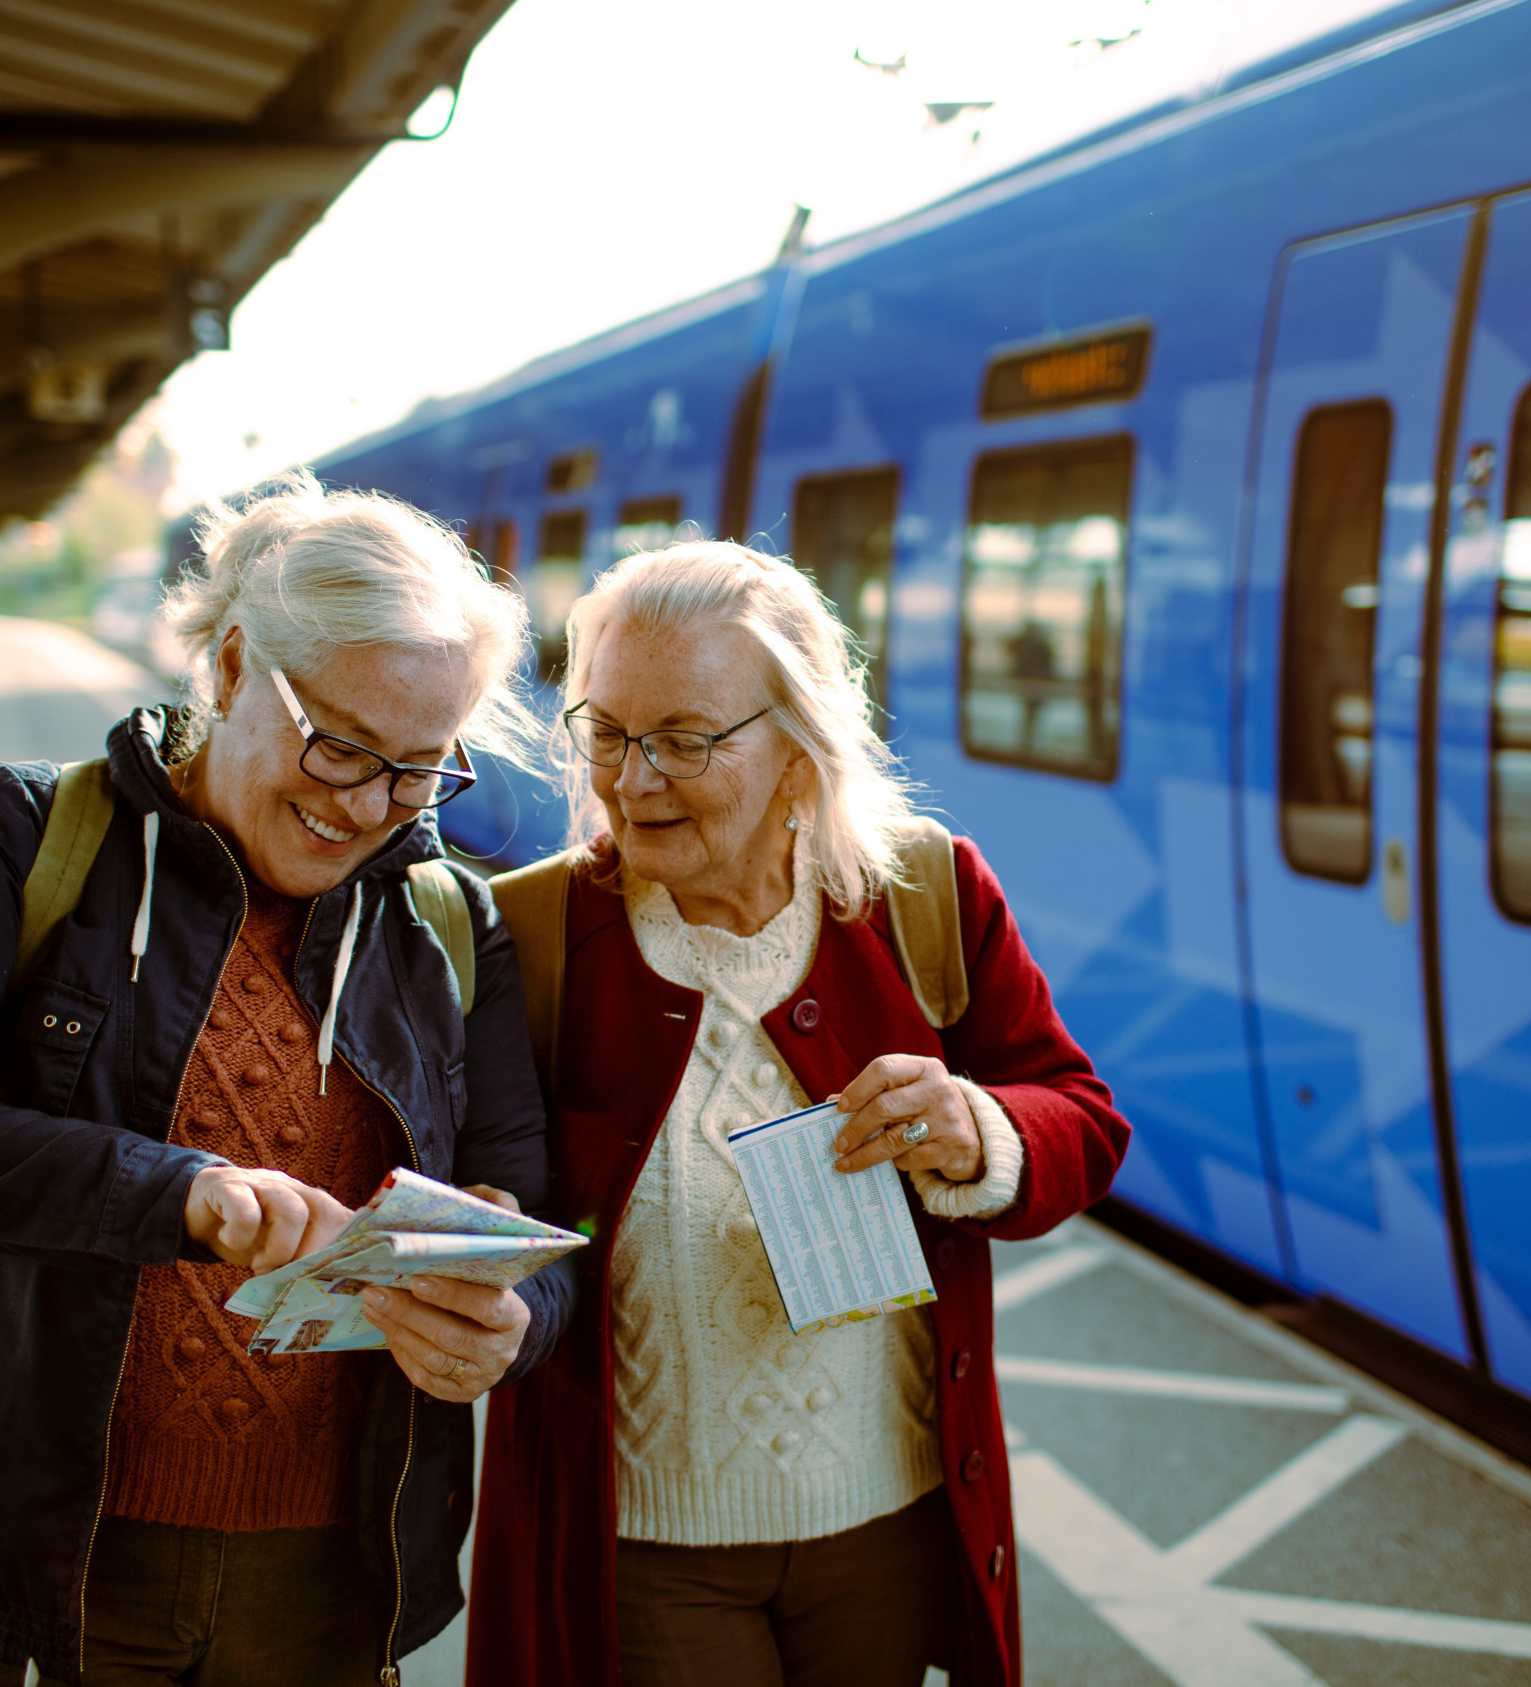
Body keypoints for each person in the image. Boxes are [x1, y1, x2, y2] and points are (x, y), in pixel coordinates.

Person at [0, 478, 574, 1687]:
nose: (366, 807)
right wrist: (174, 1191)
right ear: (237, 665)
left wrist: (510, 1326)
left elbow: (527, 1205)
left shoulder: (446, 922)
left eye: (418, 771)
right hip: (49, 1550)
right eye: (339, 746)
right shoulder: (33, 835)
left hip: (325, 1577)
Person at [466, 541, 1131, 1687]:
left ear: (797, 745)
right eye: (608, 732)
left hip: (887, 1522)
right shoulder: (533, 934)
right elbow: (508, 1216)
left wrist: (979, 1129)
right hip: (648, 1541)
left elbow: (1081, 1119)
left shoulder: (923, 896)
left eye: (684, 739)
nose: (632, 779)